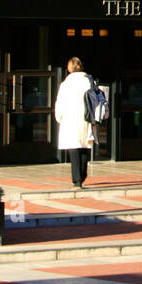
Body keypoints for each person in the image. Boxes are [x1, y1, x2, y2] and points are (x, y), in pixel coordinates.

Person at [54, 56, 94, 188]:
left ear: (69, 68)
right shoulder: (89, 81)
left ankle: (77, 179)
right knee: (84, 146)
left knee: (74, 148)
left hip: (70, 118)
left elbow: (60, 102)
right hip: (86, 118)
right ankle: (82, 175)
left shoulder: (66, 84)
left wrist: (59, 116)